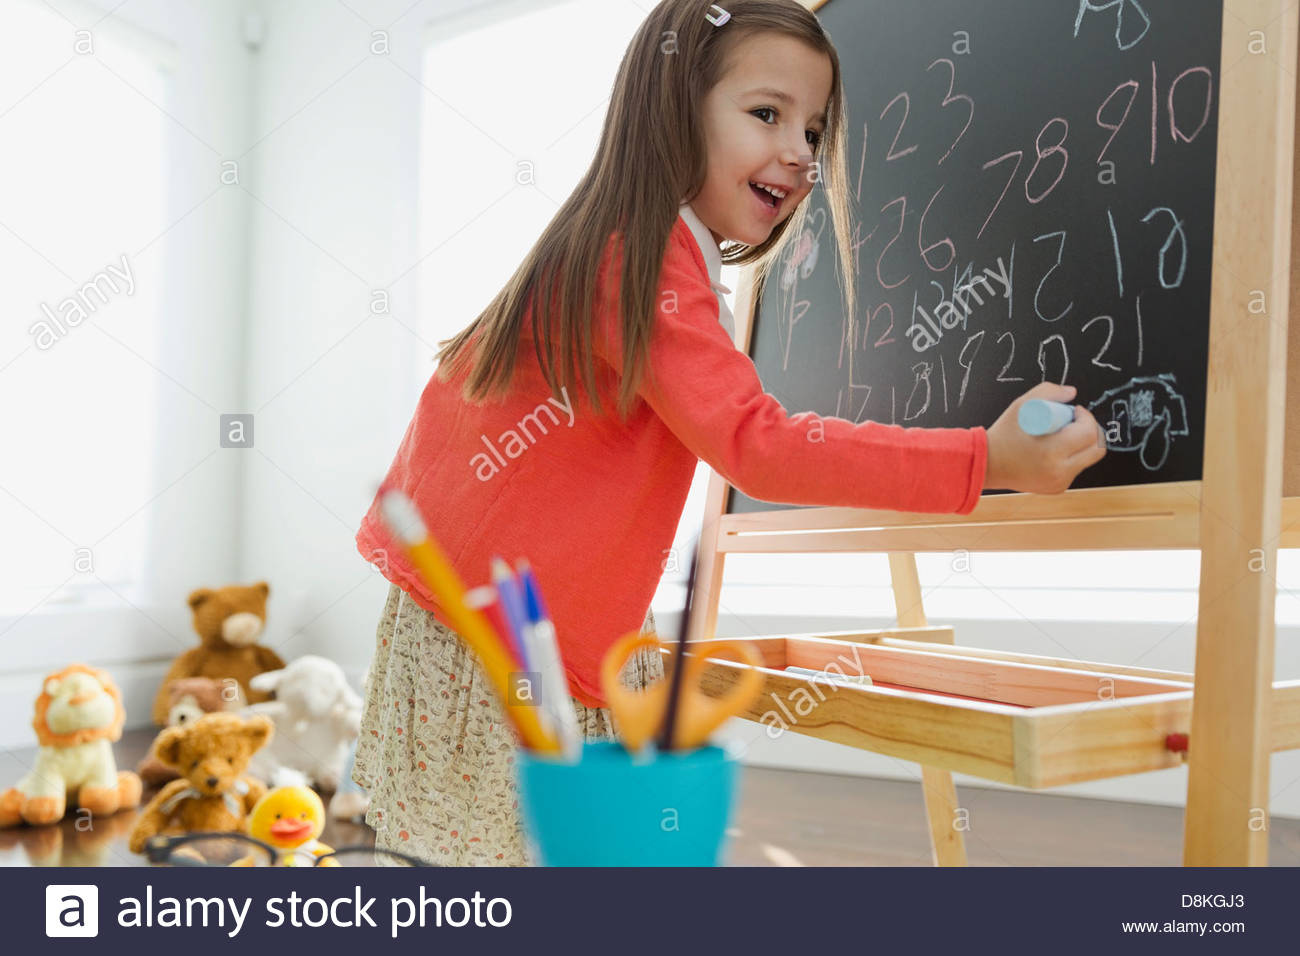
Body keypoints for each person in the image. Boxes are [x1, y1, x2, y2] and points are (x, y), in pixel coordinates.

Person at [351, 0, 1107, 866]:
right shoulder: (641, 253)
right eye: (766, 114)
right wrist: (990, 458)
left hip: (508, 622)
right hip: (509, 645)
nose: (799, 152)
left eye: (815, 130)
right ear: (674, 108)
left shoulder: (632, 243)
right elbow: (761, 445)